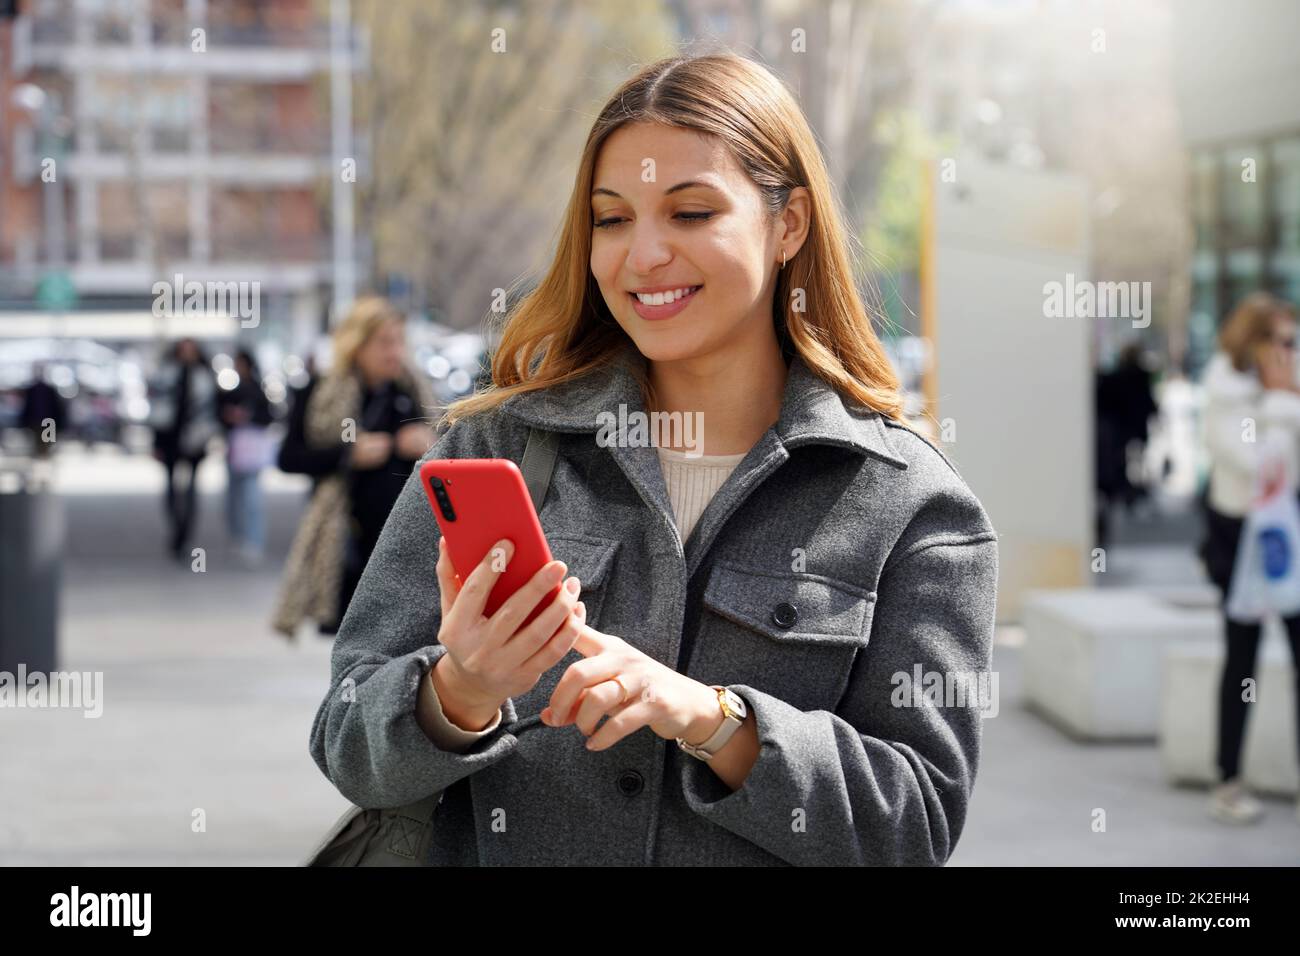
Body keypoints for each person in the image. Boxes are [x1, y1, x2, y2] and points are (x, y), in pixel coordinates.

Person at [307, 53, 999, 866]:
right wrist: (459, 691)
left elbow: (912, 826)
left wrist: (715, 722)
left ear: (790, 224)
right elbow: (346, 737)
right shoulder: (495, 448)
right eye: (612, 218)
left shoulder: (913, 506)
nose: (643, 256)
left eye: (692, 212)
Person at [272, 297, 437, 638]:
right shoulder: (322, 391)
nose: (395, 352)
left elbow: (449, 457)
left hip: (406, 544)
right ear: (357, 345)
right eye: (385, 343)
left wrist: (426, 446)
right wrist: (347, 455)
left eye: (399, 341)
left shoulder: (412, 392)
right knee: (352, 641)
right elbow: (289, 457)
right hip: (345, 542)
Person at [1198, 290, 1300, 825]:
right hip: (1239, 538)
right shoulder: (1226, 394)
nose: (1290, 349)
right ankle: (1228, 779)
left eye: (1293, 338)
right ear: (1253, 341)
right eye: (1281, 339)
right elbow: (1258, 465)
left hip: (1290, 533)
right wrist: (1283, 406)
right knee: (1242, 658)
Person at [148, 338, 219, 561]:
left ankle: (184, 533)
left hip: (196, 438)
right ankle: (176, 527)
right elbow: (156, 409)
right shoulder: (166, 375)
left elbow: (212, 411)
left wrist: (209, 437)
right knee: (171, 486)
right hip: (170, 437)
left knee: (191, 489)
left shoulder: (205, 377)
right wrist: (156, 442)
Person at [217, 348, 274, 567]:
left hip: (251, 450)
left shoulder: (257, 390)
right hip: (235, 447)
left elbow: (269, 416)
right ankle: (239, 535)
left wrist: (246, 417)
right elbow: (220, 414)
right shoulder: (231, 390)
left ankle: (253, 539)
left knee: (251, 497)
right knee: (233, 496)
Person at [19, 362, 66, 459]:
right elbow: (26, 407)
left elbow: (57, 408)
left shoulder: (49, 390)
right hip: (36, 421)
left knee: (47, 444)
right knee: (38, 445)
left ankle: (44, 464)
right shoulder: (31, 390)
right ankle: (40, 465)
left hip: (48, 421)